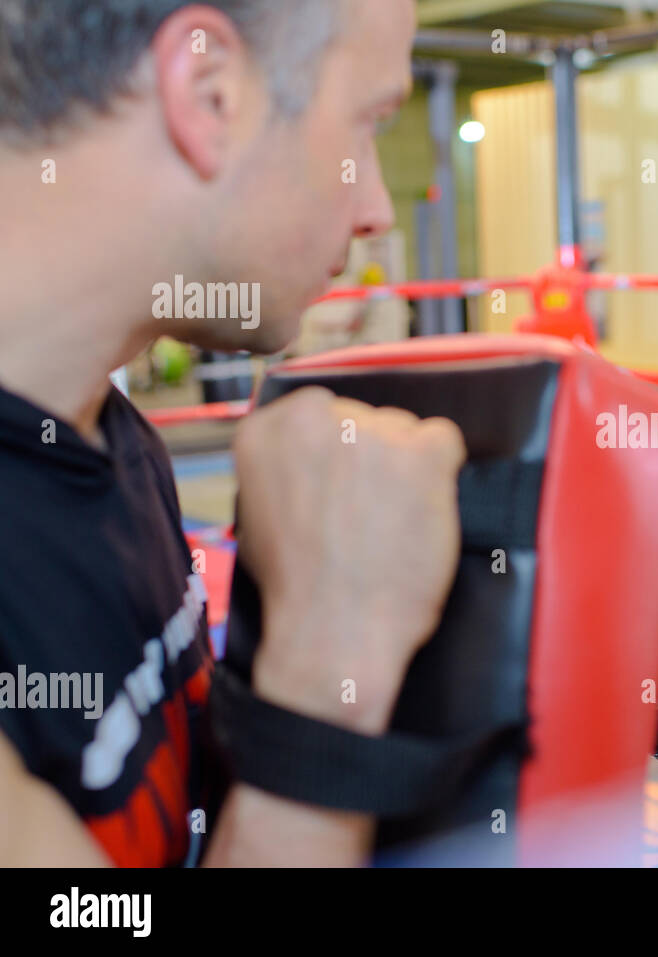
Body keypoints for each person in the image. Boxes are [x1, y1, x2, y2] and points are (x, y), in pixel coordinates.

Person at [0, 0, 470, 866]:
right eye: (367, 123)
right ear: (209, 93)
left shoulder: (111, 442)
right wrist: (327, 666)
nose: (377, 212)